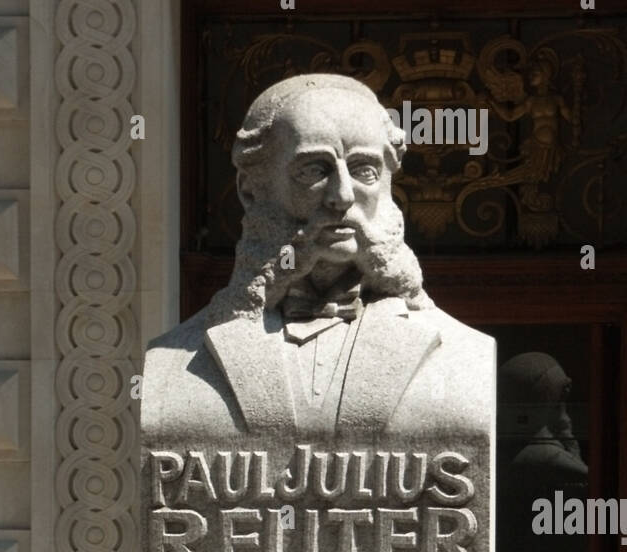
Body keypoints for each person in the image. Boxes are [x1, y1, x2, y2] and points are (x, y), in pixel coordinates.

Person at [142, 73, 493, 447]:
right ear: (251, 190)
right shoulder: (173, 360)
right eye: (314, 170)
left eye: (364, 170)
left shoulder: (465, 357)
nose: (341, 197)